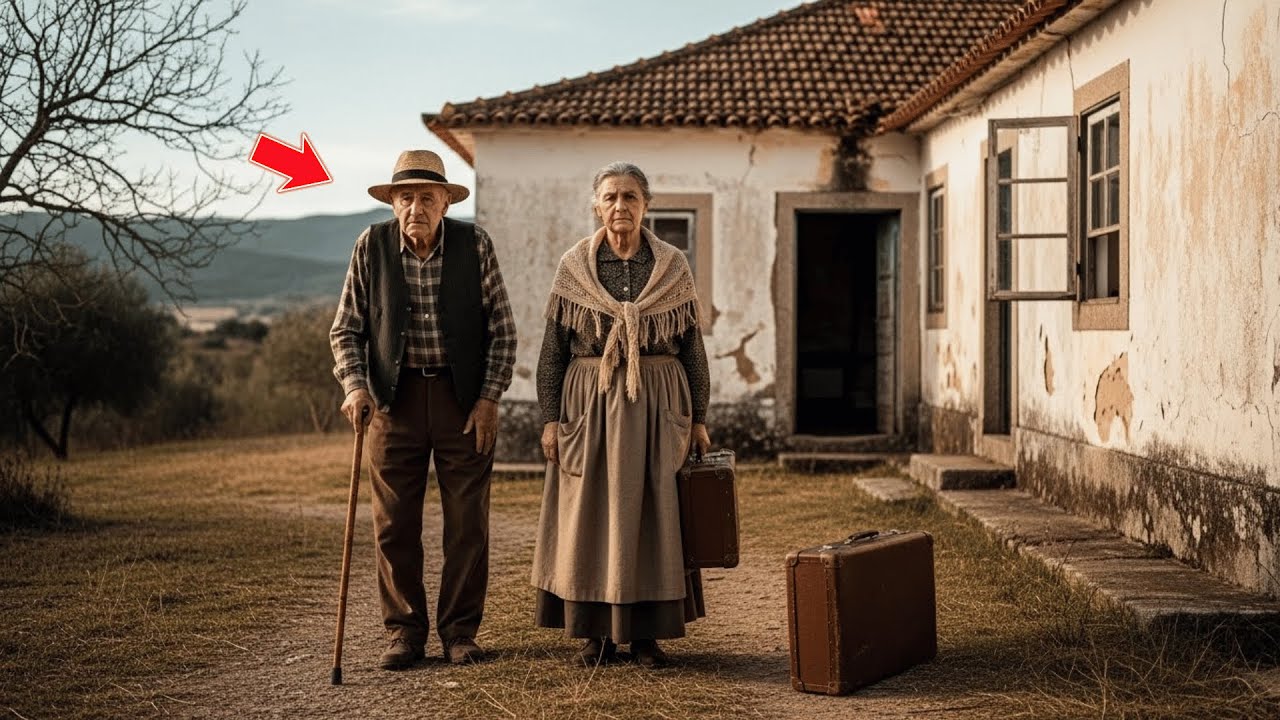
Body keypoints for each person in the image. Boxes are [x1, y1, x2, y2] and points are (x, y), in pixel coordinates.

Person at [329, 149, 516, 670]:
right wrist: (354, 386)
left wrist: (488, 399)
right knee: (394, 525)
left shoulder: (474, 244)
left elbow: (502, 330)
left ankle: (460, 633)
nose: (416, 206)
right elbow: (347, 329)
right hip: (393, 401)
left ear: (444, 203)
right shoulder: (371, 246)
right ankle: (404, 634)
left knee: (467, 525)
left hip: (464, 402)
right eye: (405, 196)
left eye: (427, 197)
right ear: (392, 203)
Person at [532, 161, 712, 668]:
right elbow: (553, 352)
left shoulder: (673, 266)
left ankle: (648, 635)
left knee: (656, 512)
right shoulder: (574, 268)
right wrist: (550, 418)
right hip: (590, 401)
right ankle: (595, 633)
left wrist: (698, 417)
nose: (620, 207)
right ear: (596, 205)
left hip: (658, 402)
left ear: (646, 206)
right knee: (590, 513)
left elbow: (693, 350)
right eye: (610, 197)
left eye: (630, 197)